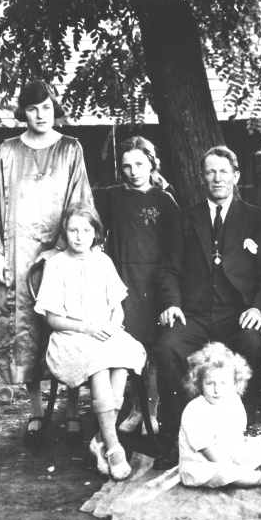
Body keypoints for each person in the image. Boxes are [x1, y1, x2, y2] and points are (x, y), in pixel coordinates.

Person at [0, 80, 93, 446]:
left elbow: (79, 203)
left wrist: (62, 251)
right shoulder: (7, 152)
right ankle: (37, 409)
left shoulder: (72, 148)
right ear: (22, 111)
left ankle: (71, 409)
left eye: (46, 107)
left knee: (65, 321)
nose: (40, 115)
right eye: (32, 108)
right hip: (17, 255)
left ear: (54, 108)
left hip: (62, 251)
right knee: (23, 326)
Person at [153, 145, 261, 469]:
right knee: (168, 348)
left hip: (235, 314)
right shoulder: (186, 218)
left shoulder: (255, 218)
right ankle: (175, 438)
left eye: (223, 171)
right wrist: (172, 304)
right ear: (201, 178)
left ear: (236, 176)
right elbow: (168, 269)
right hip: (192, 313)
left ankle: (241, 433)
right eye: (210, 171)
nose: (217, 178)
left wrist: (258, 310)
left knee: (251, 341)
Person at [34, 203, 147, 480]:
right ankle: (114, 446)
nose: (79, 236)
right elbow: (52, 319)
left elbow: (117, 307)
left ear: (95, 233)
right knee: (99, 362)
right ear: (65, 232)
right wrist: (87, 328)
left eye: (86, 230)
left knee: (124, 357)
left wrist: (110, 326)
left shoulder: (103, 261)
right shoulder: (56, 264)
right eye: (73, 230)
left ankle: (99, 439)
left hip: (104, 331)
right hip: (71, 336)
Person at [94, 136, 180, 437]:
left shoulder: (164, 199)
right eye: (126, 166)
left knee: (156, 348)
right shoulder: (112, 196)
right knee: (131, 345)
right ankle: (135, 408)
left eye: (139, 164)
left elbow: (176, 246)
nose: (133, 171)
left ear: (151, 164)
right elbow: (95, 230)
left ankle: (153, 412)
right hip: (123, 279)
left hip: (155, 281)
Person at [178, 343, 261, 497]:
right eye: (210, 383)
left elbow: (237, 437)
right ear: (199, 383)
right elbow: (209, 452)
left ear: (234, 383)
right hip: (202, 466)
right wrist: (238, 465)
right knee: (231, 475)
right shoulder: (195, 410)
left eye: (223, 383)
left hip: (229, 454)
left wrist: (243, 456)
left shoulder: (233, 400)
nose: (217, 390)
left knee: (260, 444)